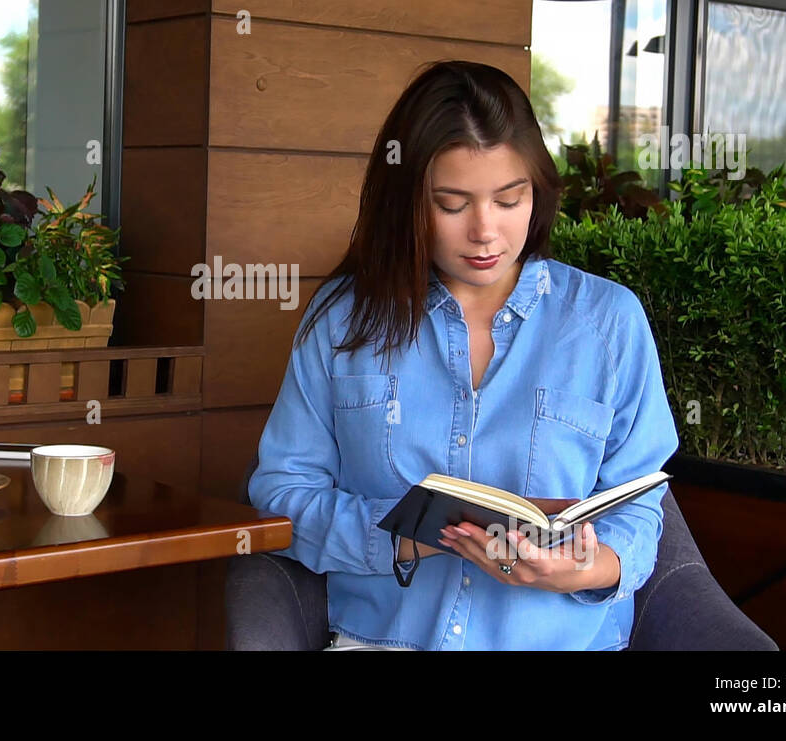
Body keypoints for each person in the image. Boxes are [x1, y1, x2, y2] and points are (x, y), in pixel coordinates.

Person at [247, 60, 680, 651]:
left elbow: (640, 506)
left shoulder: (608, 322)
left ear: (538, 191)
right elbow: (282, 492)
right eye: (452, 205)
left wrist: (584, 569)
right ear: (407, 204)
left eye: (509, 199)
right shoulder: (343, 319)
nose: (485, 232)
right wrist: (408, 537)